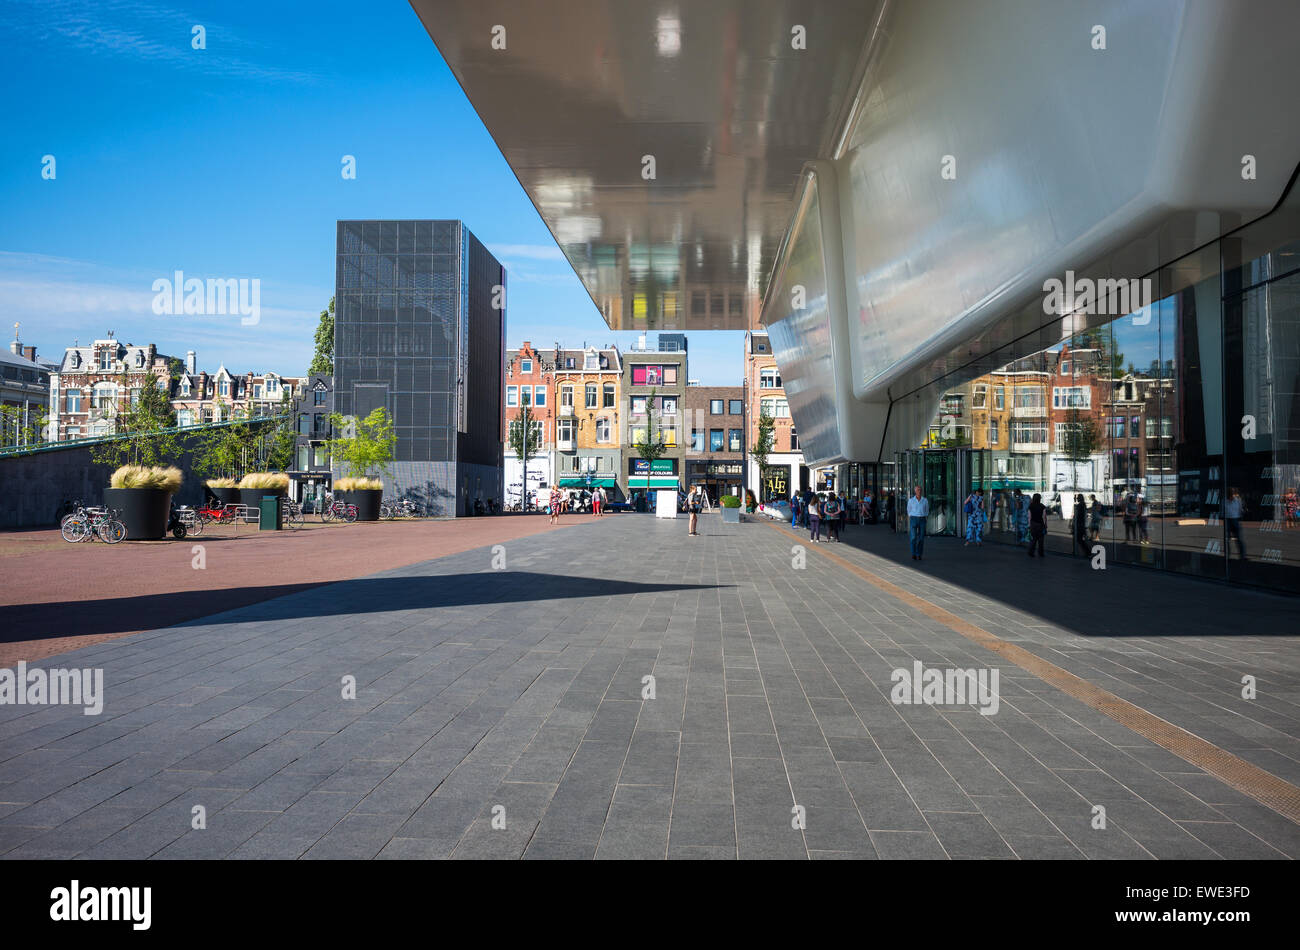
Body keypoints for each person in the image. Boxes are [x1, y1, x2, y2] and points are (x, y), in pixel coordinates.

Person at [906, 486, 929, 560]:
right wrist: (911, 516)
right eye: (917, 490)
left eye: (920, 490)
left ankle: (919, 554)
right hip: (913, 518)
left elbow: (927, 510)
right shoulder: (911, 500)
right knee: (913, 537)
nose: (919, 491)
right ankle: (913, 554)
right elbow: (908, 509)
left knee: (921, 538)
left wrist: (925, 516)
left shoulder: (925, 500)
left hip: (922, 519)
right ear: (915, 491)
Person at [1225, 488, 1246, 558]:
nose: (1232, 497)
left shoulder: (1237, 500)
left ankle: (1242, 555)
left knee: (1239, 539)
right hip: (1228, 520)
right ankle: (1228, 556)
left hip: (1235, 520)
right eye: (1230, 495)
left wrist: (1241, 516)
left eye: (1232, 495)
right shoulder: (1226, 500)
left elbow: (1240, 510)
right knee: (1227, 540)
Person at [1027, 492, 1047, 557]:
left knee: (1033, 539)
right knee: (1041, 540)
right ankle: (1041, 553)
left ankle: (1031, 552)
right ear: (1039, 499)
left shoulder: (1031, 506)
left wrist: (1029, 525)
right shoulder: (1042, 506)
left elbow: (1029, 517)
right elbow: (1044, 517)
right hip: (1040, 524)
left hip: (1033, 524)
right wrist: (1045, 525)